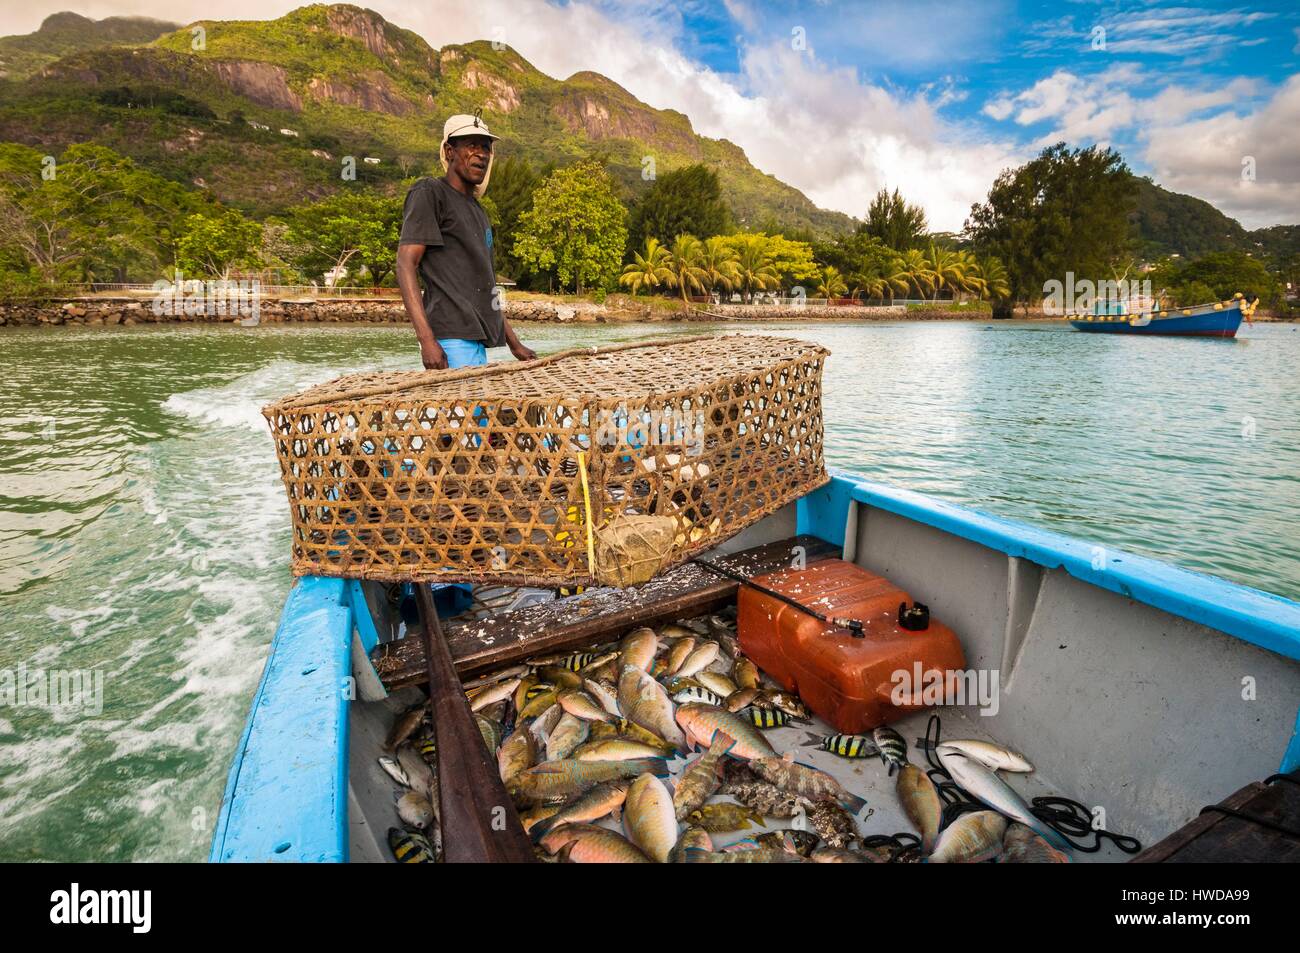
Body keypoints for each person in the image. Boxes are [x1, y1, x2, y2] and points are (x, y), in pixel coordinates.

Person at [396, 112, 535, 370]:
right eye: (471, 145)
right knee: (468, 411)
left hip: (476, 339)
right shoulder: (430, 192)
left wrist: (515, 345)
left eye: (486, 147)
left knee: (479, 411)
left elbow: (486, 286)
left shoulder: (479, 213)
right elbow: (406, 264)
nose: (481, 154)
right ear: (449, 151)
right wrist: (427, 340)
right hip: (449, 337)